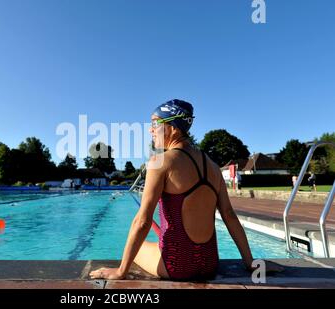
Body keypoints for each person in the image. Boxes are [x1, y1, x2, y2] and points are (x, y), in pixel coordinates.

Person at [90, 99, 282, 281]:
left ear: (173, 128)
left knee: (136, 250)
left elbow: (142, 221)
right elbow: (229, 215)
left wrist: (121, 271)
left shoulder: (160, 162)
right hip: (209, 264)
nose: (150, 130)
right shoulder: (213, 166)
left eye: (155, 124)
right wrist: (250, 262)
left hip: (176, 266)